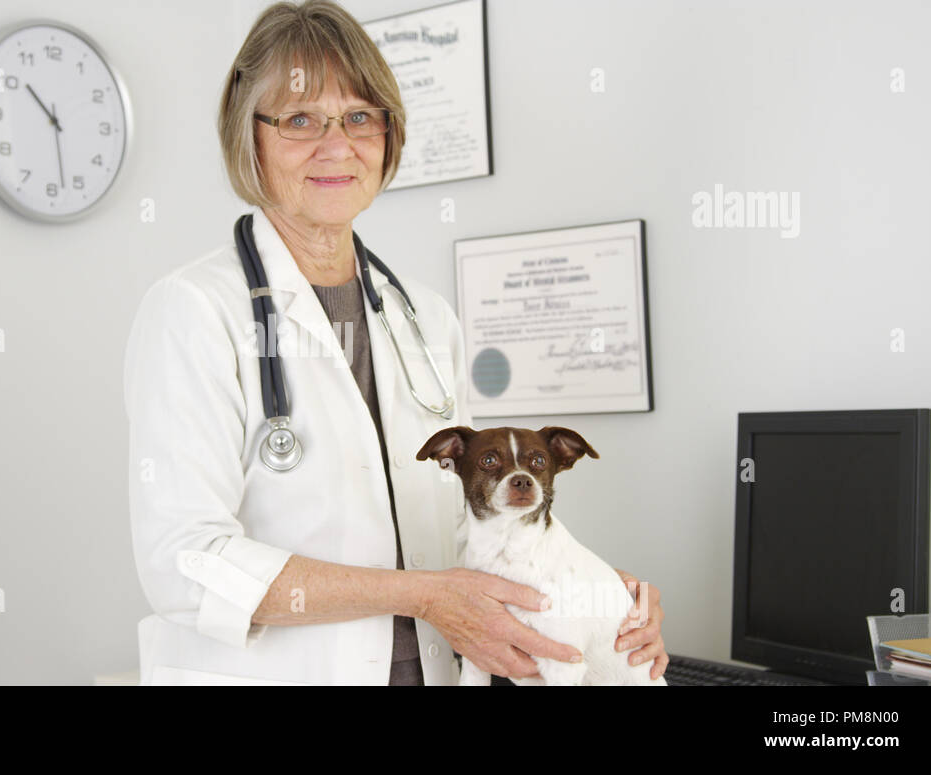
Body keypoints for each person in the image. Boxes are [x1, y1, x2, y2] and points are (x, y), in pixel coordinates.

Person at [123, 0, 667, 685]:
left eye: (359, 116)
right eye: (299, 119)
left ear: (388, 132)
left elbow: (459, 522)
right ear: (249, 135)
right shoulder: (193, 311)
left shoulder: (426, 317)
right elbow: (184, 560)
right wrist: (419, 593)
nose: (336, 144)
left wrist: (581, 586)